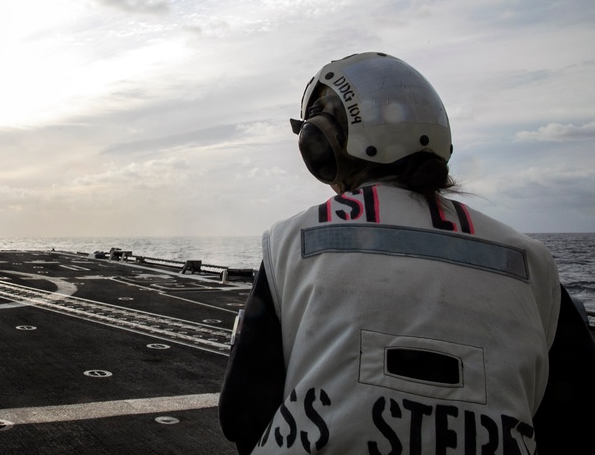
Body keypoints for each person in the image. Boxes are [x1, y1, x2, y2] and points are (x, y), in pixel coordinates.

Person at [218, 52, 595, 454]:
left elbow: (242, 415)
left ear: (325, 146)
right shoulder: (530, 260)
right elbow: (575, 418)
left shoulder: (294, 240)